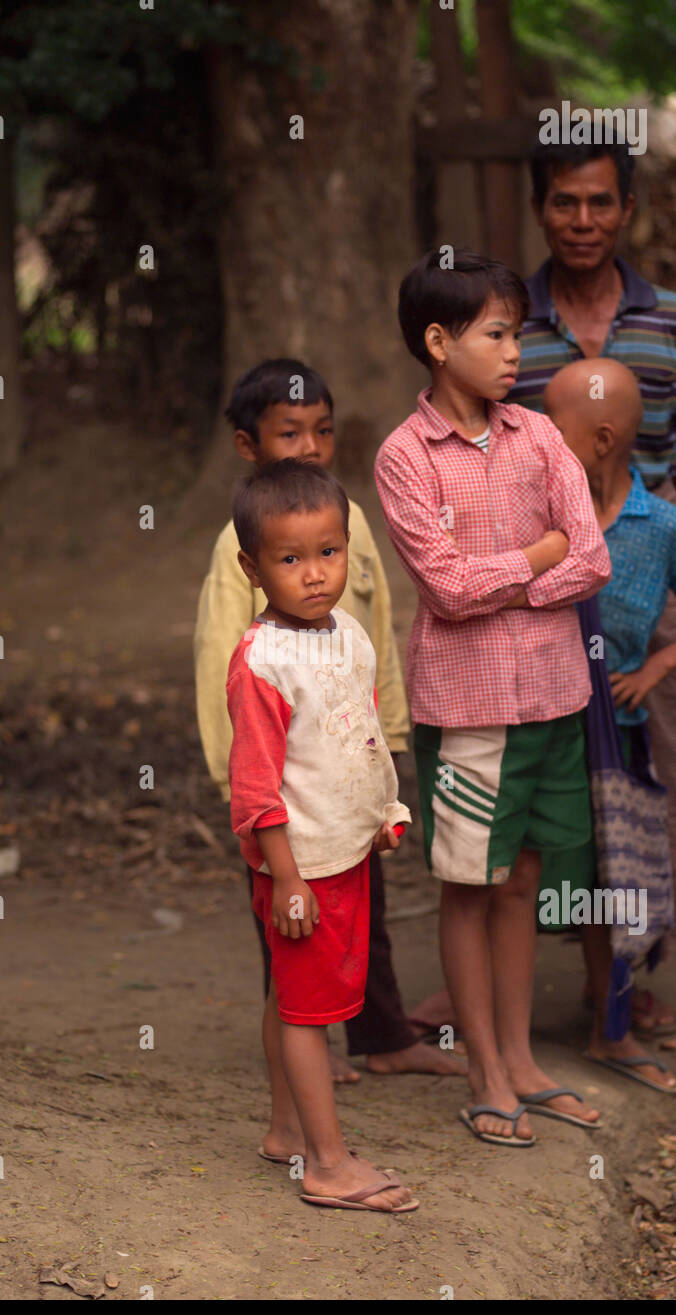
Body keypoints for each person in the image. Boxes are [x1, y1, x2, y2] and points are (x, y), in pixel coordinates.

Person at [375, 249, 612, 1145]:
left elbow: (593, 557)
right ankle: (482, 1073)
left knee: (522, 878)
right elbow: (446, 590)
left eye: (519, 332)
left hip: (554, 694)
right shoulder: (404, 457)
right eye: (497, 333)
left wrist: (521, 570)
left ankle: (519, 1060)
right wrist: (539, 557)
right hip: (468, 708)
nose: (516, 351)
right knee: (469, 885)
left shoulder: (540, 435)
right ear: (438, 343)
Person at [503, 139, 676, 1033]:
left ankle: (630, 971)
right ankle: (513, 961)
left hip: (646, 577)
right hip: (534, 582)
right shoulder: (506, 328)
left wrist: (657, 536)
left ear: (627, 210)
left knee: (653, 768)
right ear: (541, 210)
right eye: (565, 203)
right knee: (542, 767)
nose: (583, 221)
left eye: (600, 203)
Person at [193, 359, 464, 1103]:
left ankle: (379, 1035)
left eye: (322, 430)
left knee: (361, 911)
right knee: (291, 923)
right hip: (281, 787)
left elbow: (371, 633)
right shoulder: (238, 550)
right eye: (290, 433)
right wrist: (236, 781)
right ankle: (305, 1045)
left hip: (348, 768)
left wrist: (389, 744)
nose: (310, 447)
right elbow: (225, 664)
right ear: (249, 446)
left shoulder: (347, 520)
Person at [542, 358, 676, 1092]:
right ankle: (499, 1032)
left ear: (602, 439)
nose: (538, 435)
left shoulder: (660, 524)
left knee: (616, 876)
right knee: (531, 868)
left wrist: (659, 667)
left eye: (552, 423)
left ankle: (612, 1028)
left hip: (615, 728)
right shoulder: (538, 513)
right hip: (543, 714)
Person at [227, 458, 418, 1213]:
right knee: (308, 1012)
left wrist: (384, 813)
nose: (314, 575)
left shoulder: (350, 634)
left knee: (290, 994)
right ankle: (328, 1164)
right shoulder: (263, 661)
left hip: (347, 853)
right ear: (253, 566)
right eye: (290, 558)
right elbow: (255, 788)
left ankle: (286, 1132)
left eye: (328, 552)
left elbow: (359, 735)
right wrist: (287, 879)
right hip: (299, 867)